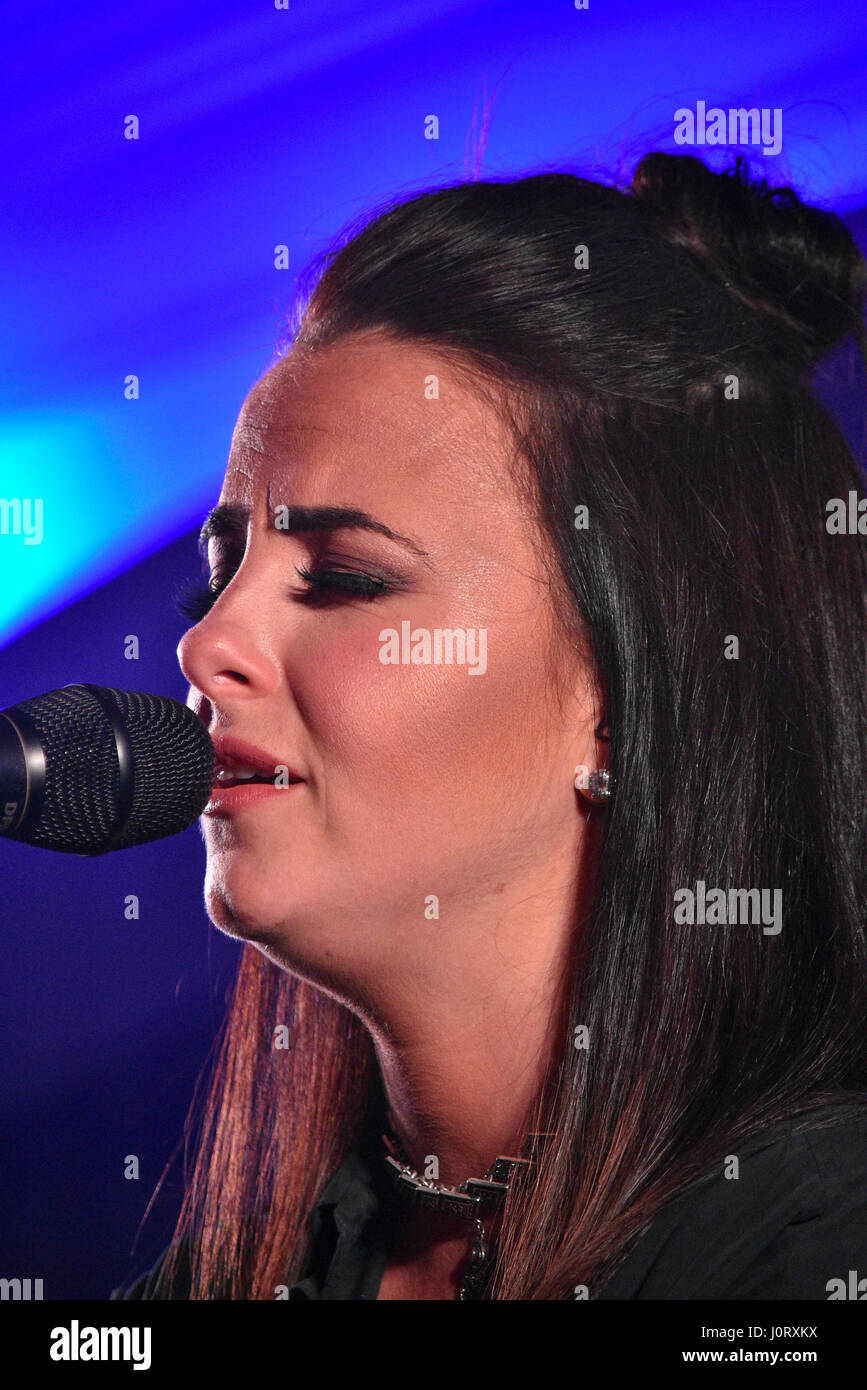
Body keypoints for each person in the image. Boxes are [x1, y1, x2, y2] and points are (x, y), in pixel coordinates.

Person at [112, 151, 867, 1301]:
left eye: (348, 579)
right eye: (222, 573)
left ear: (622, 692)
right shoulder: (225, 1281)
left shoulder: (809, 1248)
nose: (206, 643)